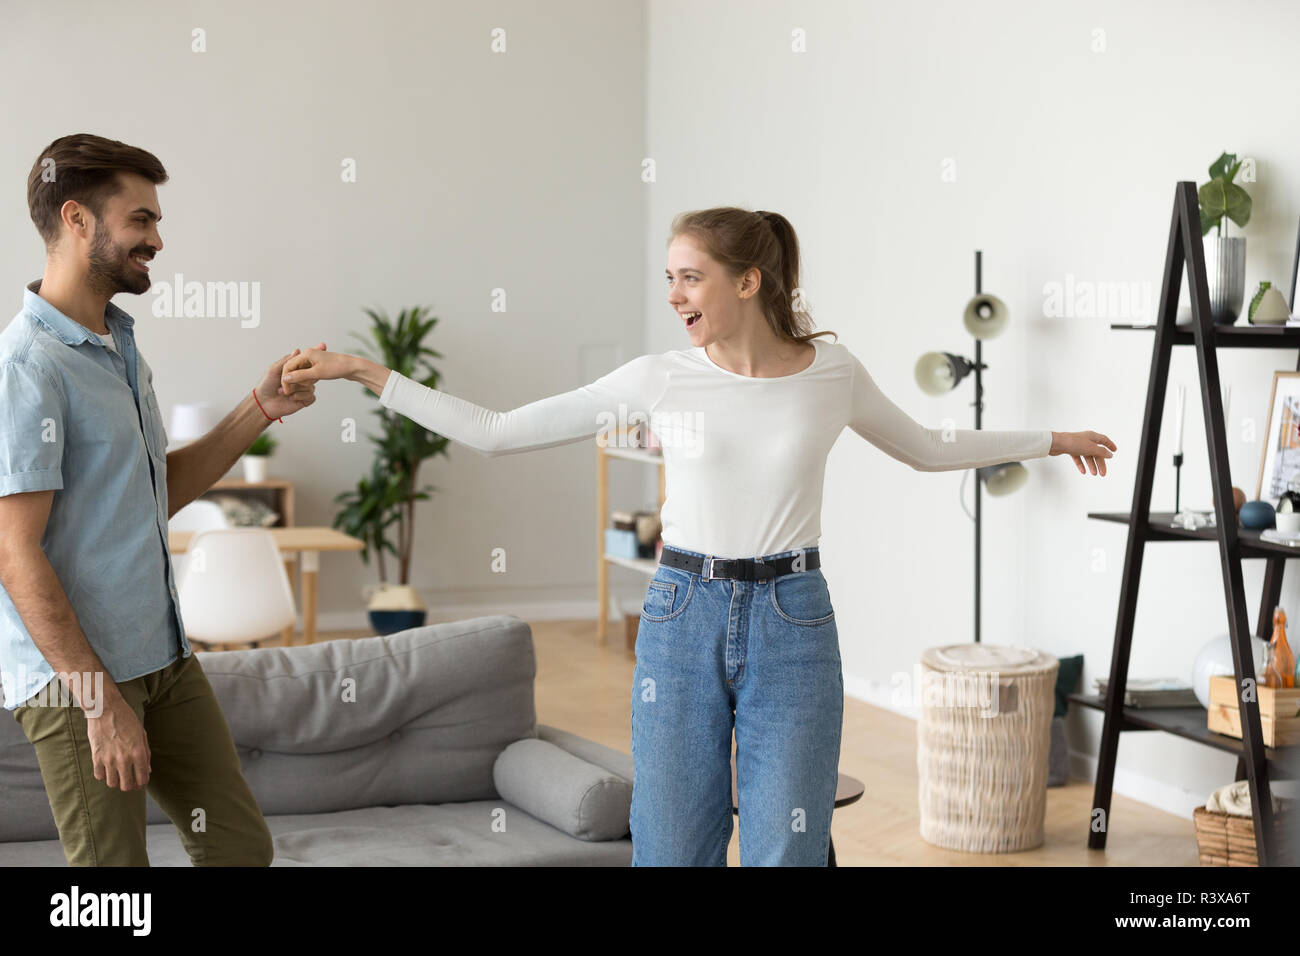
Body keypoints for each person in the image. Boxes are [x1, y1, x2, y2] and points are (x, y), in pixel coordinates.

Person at [280, 206, 1116, 866]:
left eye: (691, 278)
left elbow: (929, 449)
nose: (675, 295)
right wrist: (365, 372)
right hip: (682, 612)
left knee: (788, 843)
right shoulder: (658, 378)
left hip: (796, 614)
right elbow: (497, 430)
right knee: (676, 844)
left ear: (749, 281)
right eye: (670, 279)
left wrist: (1053, 439)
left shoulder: (831, 372)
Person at [0, 134, 320, 866]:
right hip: (77, 680)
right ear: (77, 220)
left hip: (163, 656)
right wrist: (98, 703)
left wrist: (258, 409)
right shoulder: (27, 368)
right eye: (141, 220)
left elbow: (153, 493)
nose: (157, 240)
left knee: (239, 850)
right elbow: (14, 555)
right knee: (113, 889)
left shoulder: (115, 344)